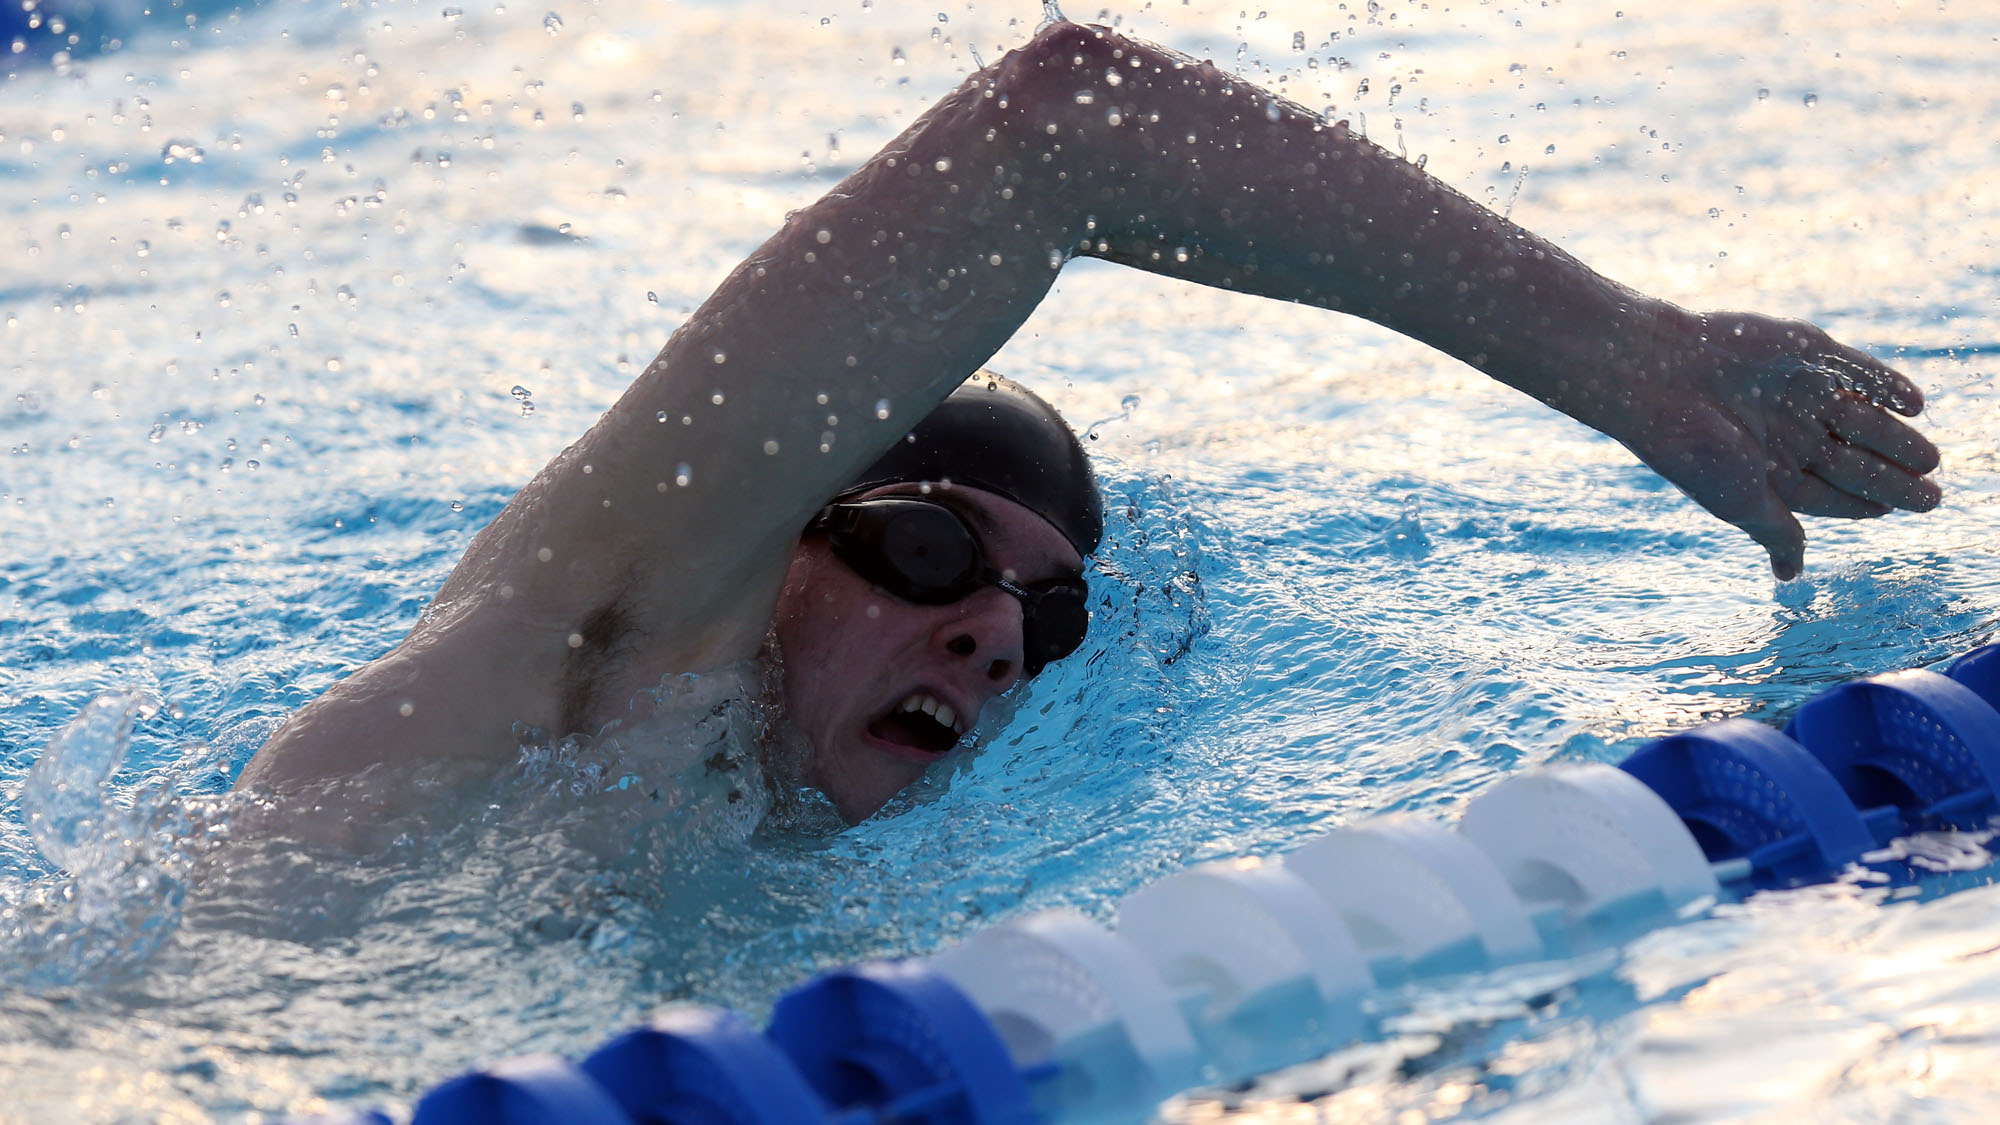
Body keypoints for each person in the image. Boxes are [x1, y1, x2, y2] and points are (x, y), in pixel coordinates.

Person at [233, 19, 1941, 824]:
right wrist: (1626, 357)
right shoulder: (582, 654)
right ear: (771, 540)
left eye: (1037, 623)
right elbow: (1064, 123)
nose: (981, 636)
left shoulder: (811, 906)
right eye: (924, 550)